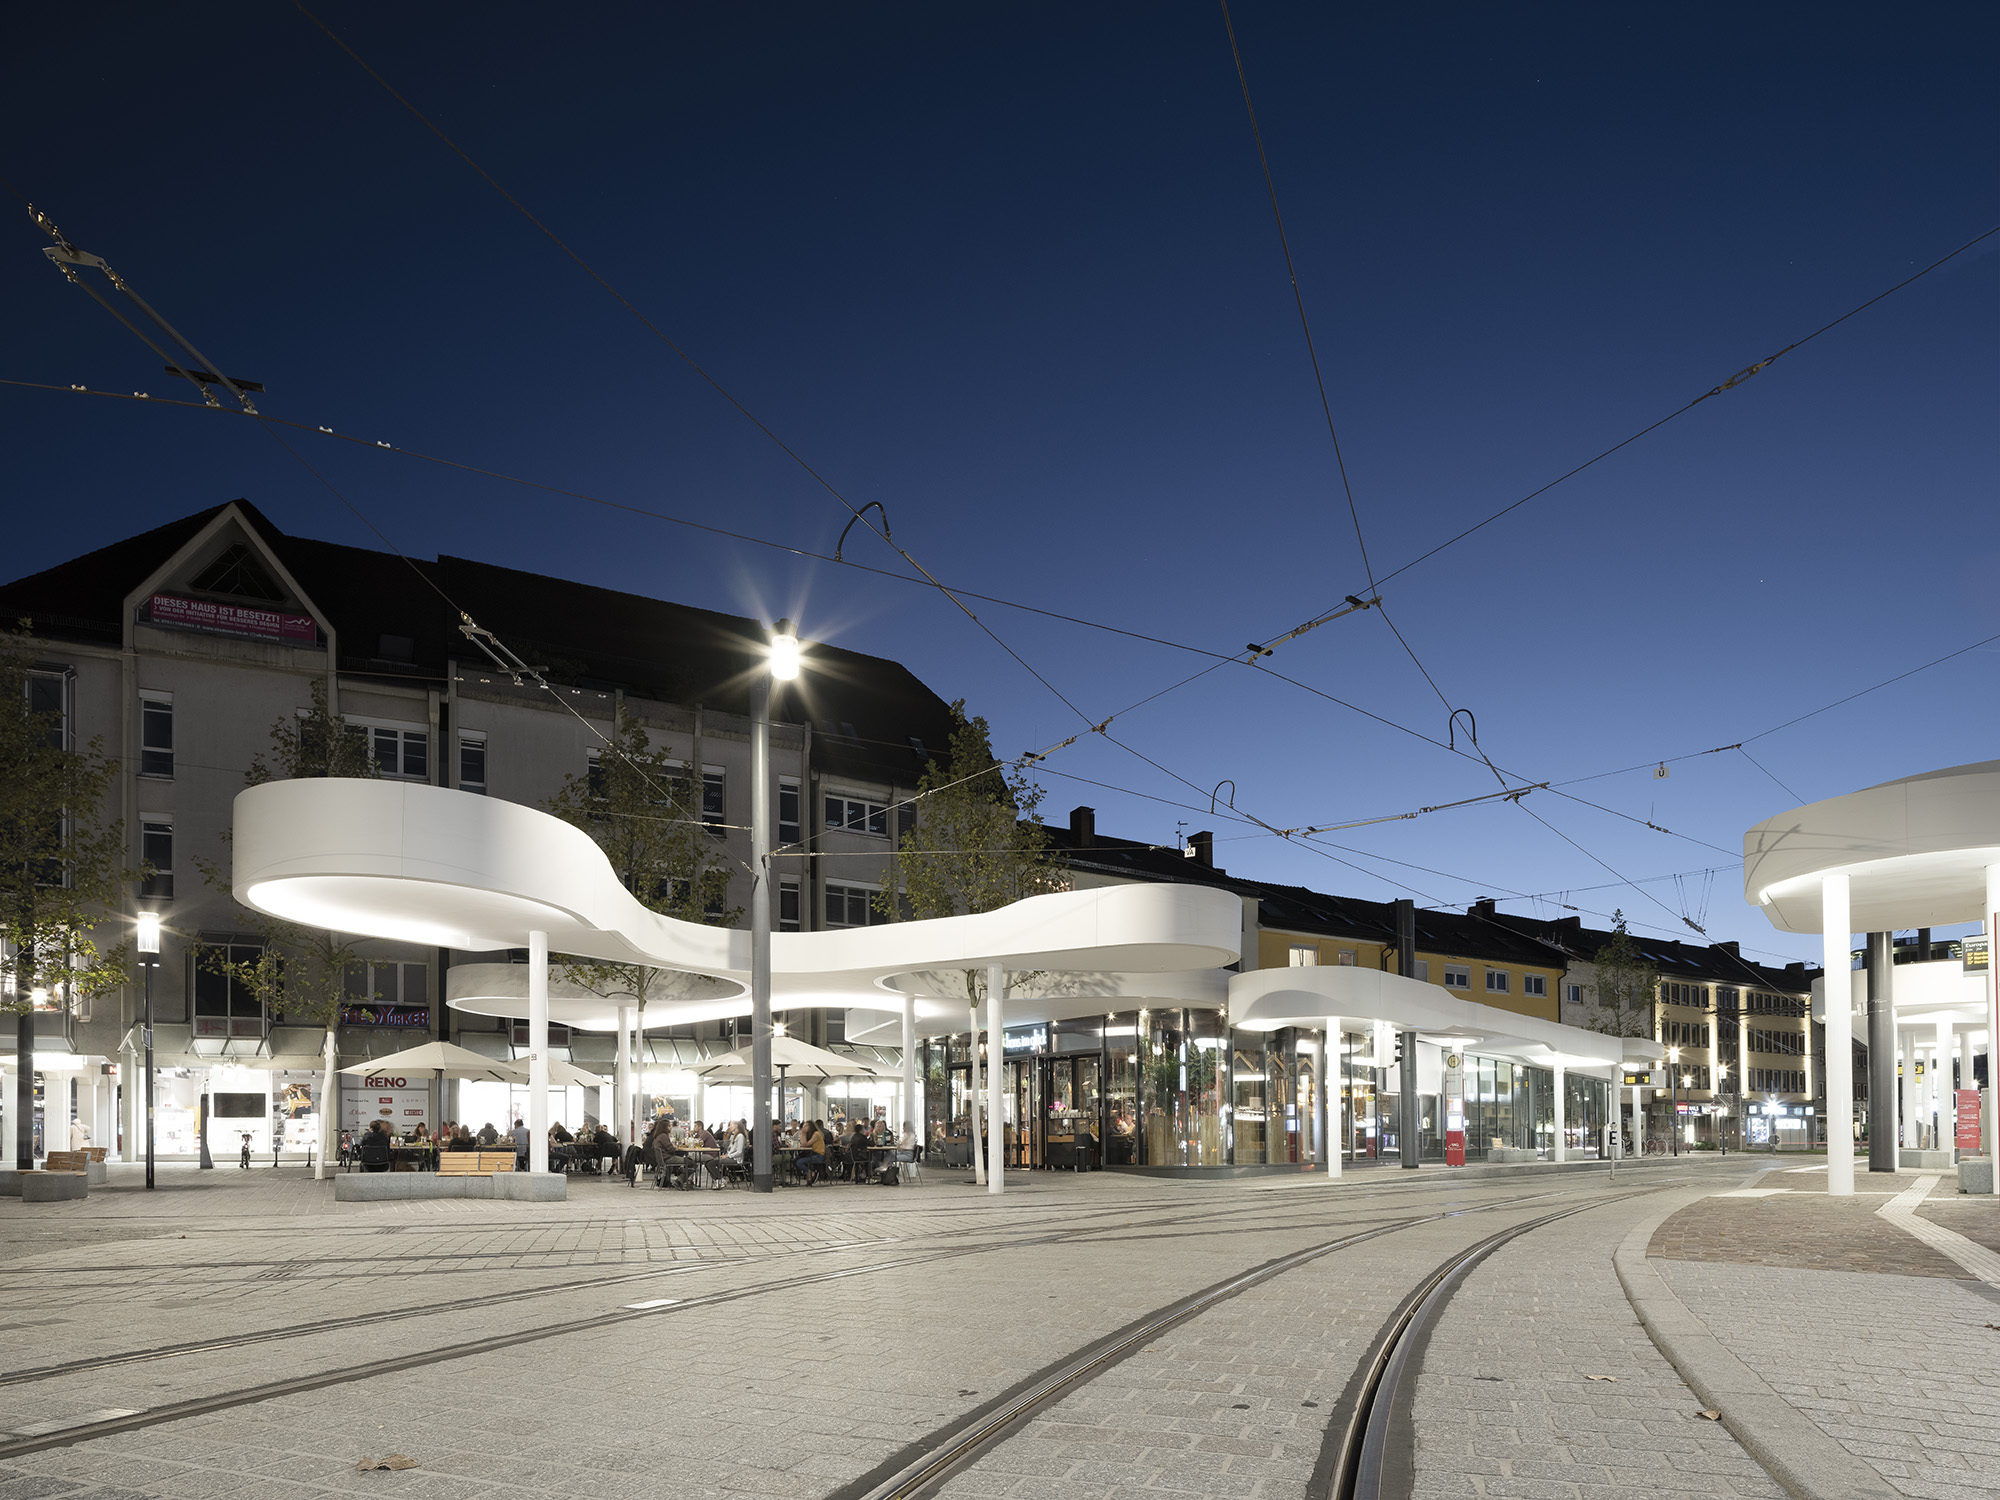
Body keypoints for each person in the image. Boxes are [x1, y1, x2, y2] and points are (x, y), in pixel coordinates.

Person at [796, 1119, 827, 1186]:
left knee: (799, 1162)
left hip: (819, 1155)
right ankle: (809, 1174)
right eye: (803, 1126)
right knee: (796, 1160)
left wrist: (803, 1134)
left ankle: (810, 1173)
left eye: (806, 1126)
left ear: (811, 1127)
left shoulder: (816, 1134)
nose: (804, 1128)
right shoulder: (811, 1134)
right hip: (812, 1154)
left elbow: (805, 1144)